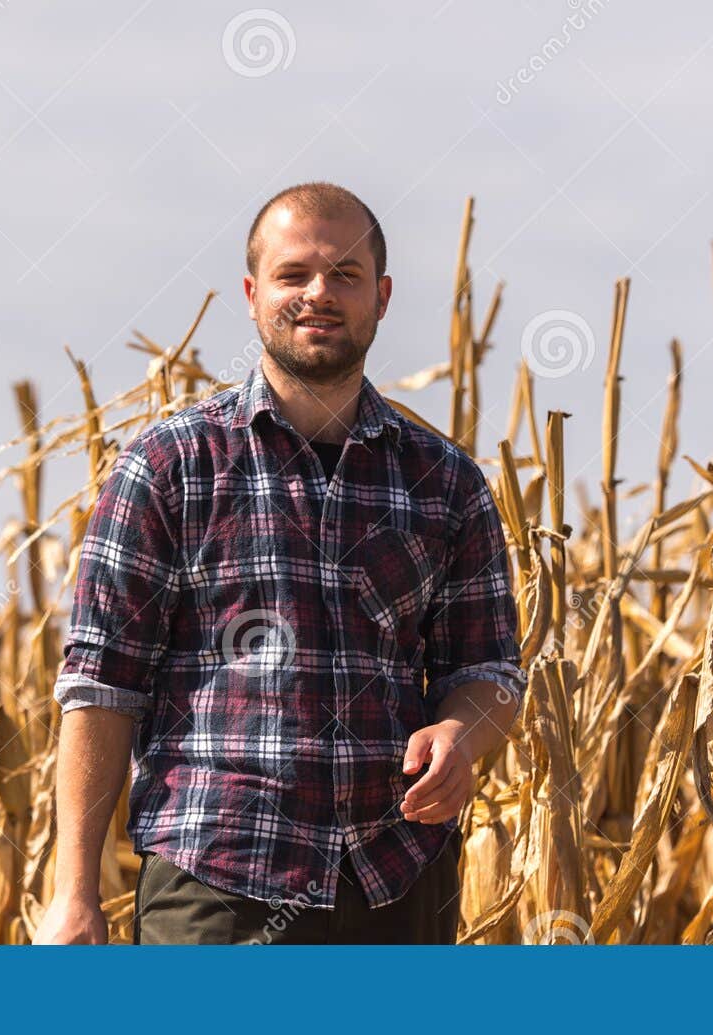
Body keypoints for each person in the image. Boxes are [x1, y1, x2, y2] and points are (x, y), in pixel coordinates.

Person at [33, 182, 525, 944]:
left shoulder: (445, 482)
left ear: (383, 297)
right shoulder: (169, 467)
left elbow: (491, 670)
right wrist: (74, 895)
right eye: (295, 274)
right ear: (253, 292)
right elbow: (102, 684)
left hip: (395, 885)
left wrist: (463, 732)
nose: (319, 293)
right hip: (218, 884)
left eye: (346, 276)